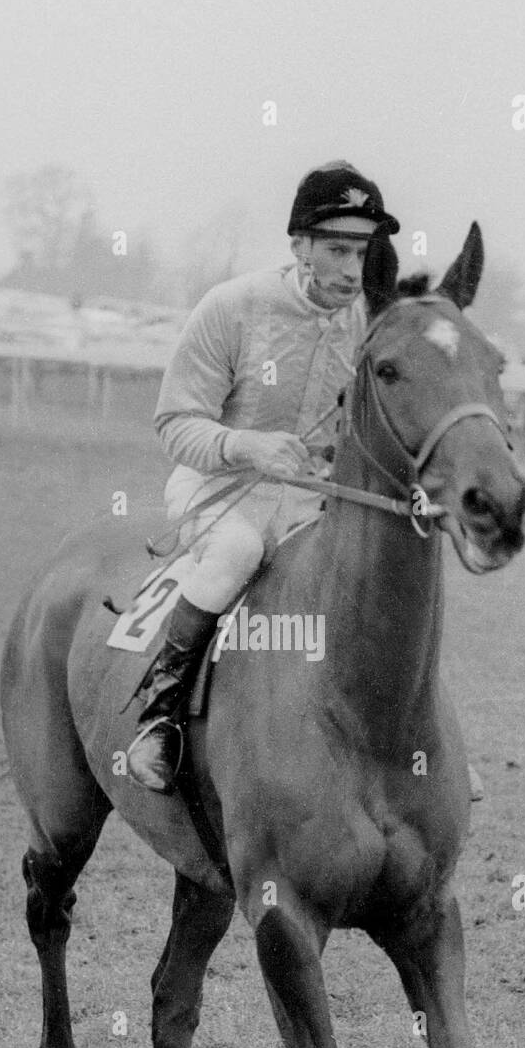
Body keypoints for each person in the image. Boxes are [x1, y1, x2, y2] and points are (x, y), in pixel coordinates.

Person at [127, 161, 399, 793]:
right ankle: (160, 716)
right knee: (238, 551)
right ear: (298, 244)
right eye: (335, 249)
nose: (351, 270)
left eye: (362, 251)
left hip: (318, 502)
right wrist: (247, 445)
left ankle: (406, 745)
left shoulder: (370, 323)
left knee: (384, 573)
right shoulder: (233, 308)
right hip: (217, 489)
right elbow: (174, 422)